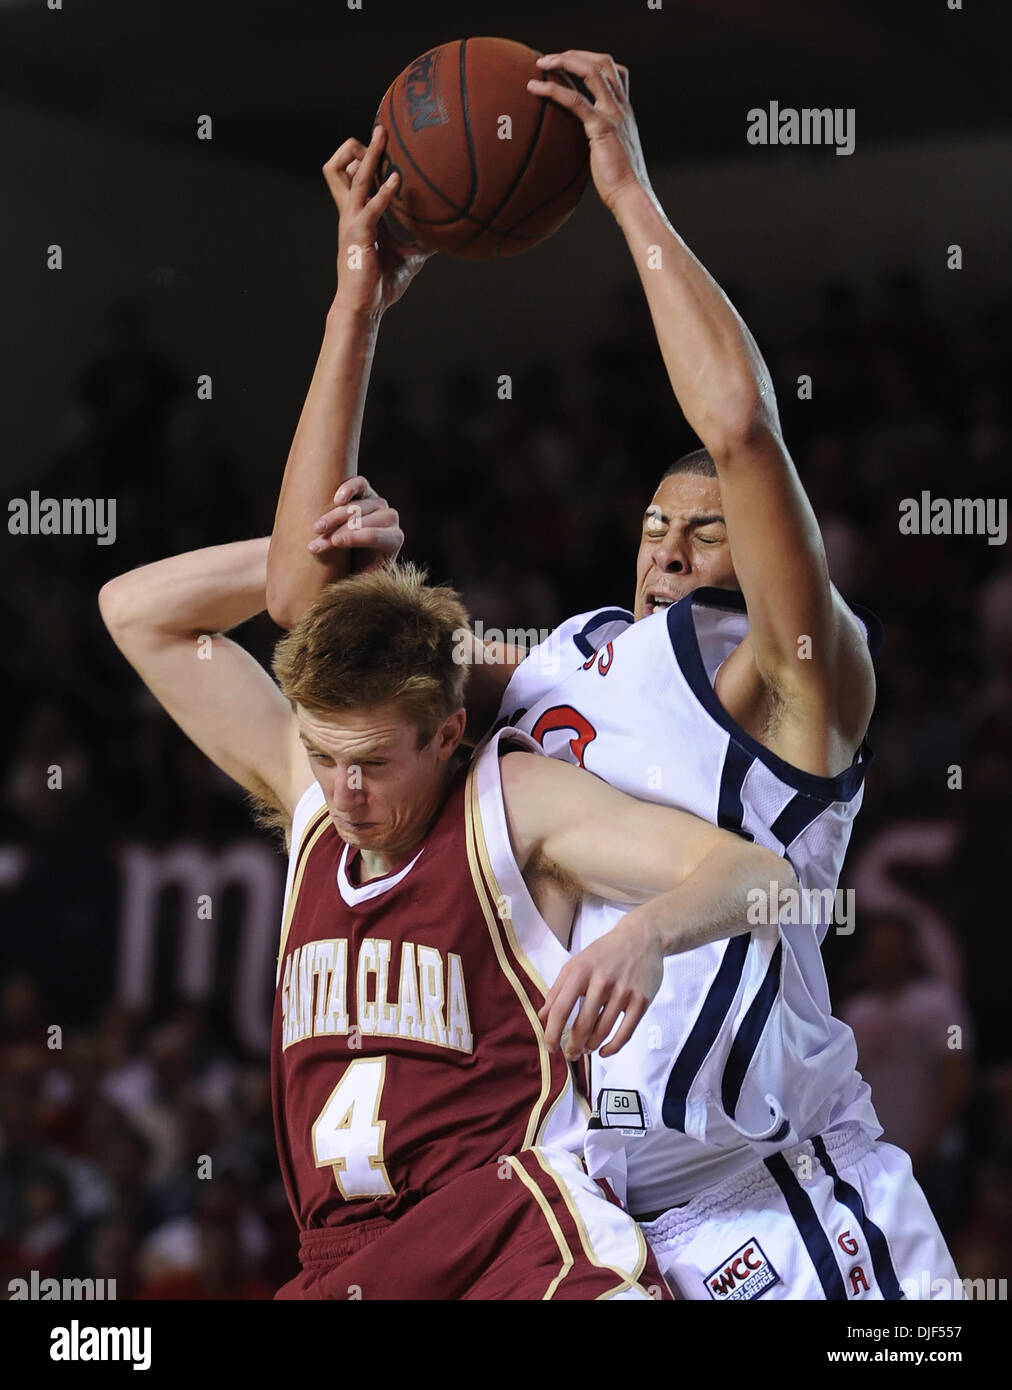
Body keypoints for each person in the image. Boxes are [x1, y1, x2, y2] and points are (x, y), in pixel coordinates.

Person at [266, 47, 961, 1299]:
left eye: (706, 528)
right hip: (594, 1219)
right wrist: (356, 311)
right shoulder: (554, 662)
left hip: (782, 1195)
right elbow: (306, 611)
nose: (671, 545)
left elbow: (741, 427)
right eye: (652, 523)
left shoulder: (796, 681)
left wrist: (628, 195)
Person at [98, 544, 787, 1300]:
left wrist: (647, 933)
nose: (346, 791)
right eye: (323, 756)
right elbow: (136, 615)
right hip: (340, 1264)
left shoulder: (509, 804)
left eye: (374, 762)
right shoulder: (314, 808)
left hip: (508, 1238)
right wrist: (305, 554)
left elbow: (765, 879)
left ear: (447, 733)